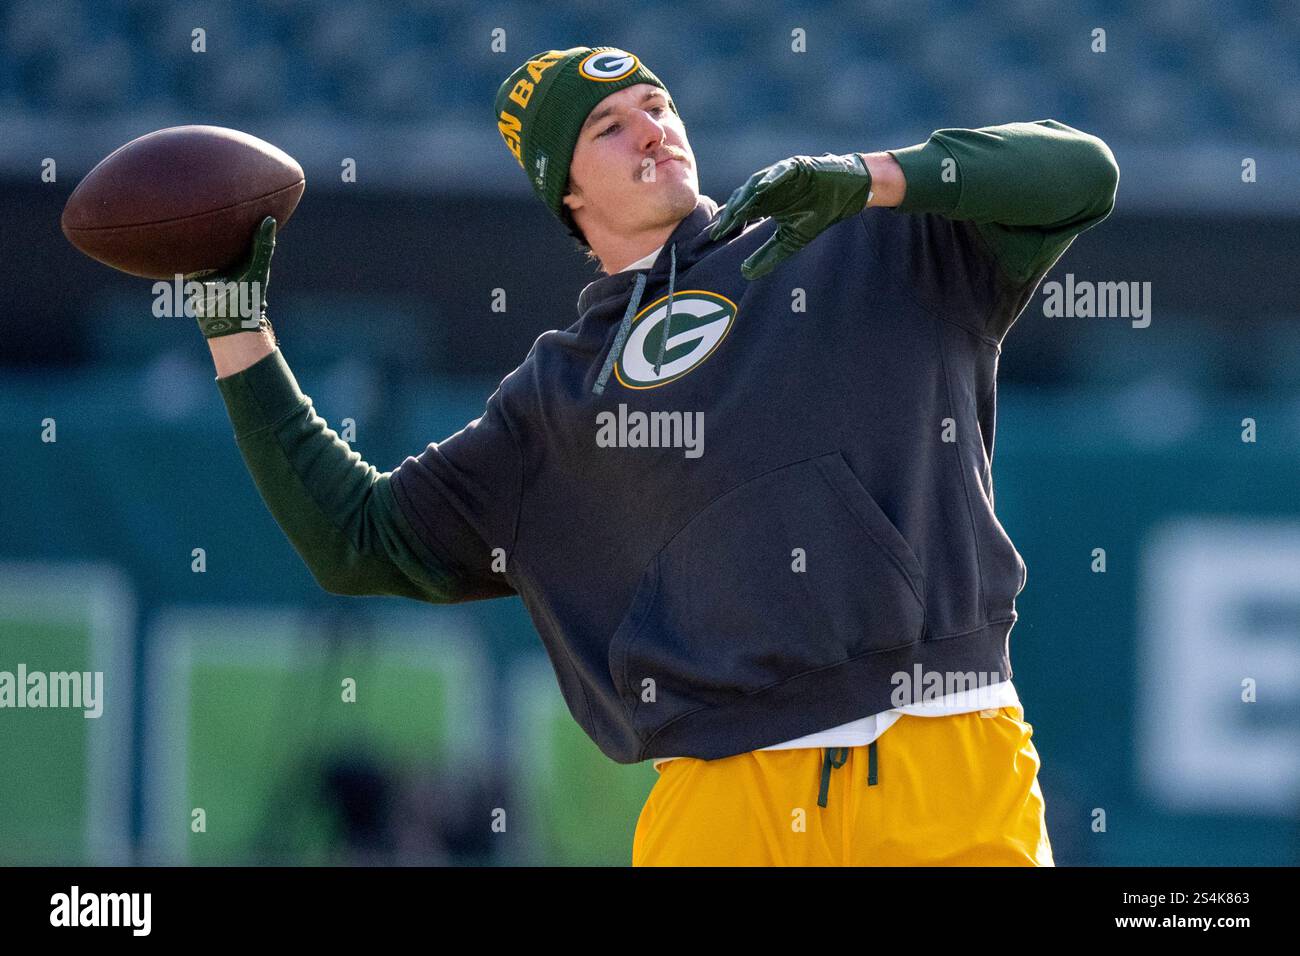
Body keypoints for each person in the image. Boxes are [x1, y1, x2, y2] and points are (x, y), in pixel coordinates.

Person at [198, 45, 1118, 866]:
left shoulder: (863, 236)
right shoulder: (554, 399)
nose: (652, 128)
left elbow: (1083, 174)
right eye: (608, 125)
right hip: (720, 798)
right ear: (568, 191)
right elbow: (355, 537)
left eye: (659, 106)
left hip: (943, 751)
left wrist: (876, 177)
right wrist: (236, 329)